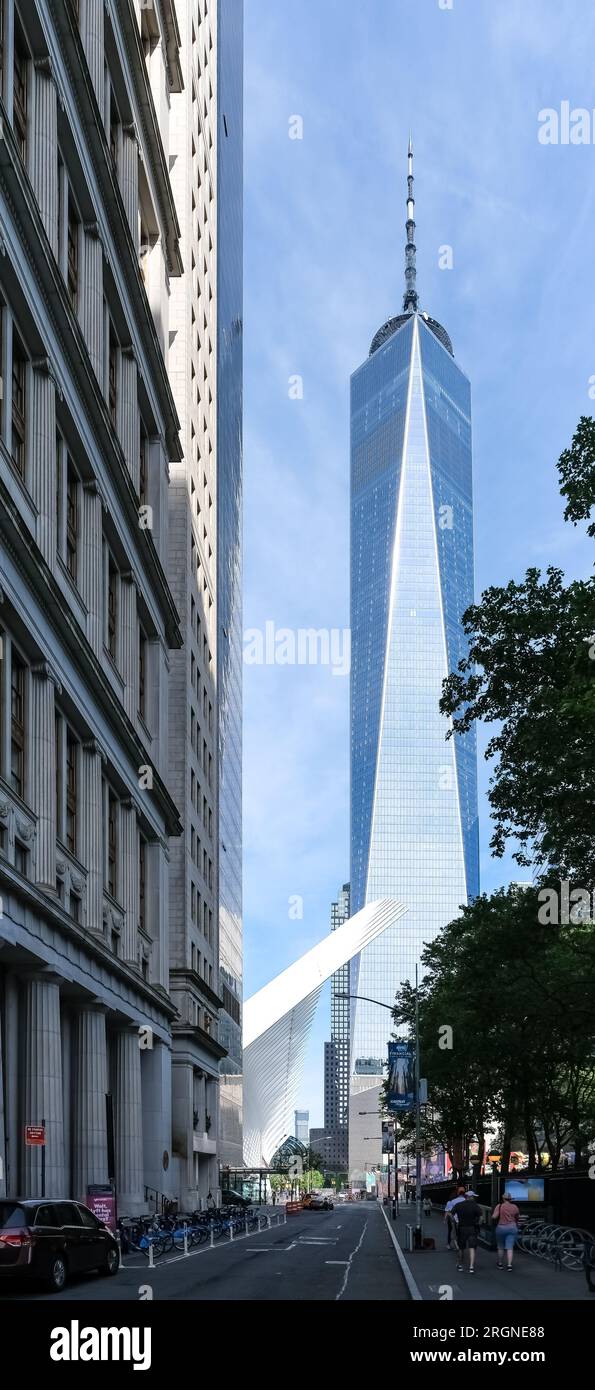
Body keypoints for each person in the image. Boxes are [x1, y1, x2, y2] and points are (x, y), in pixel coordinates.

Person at [454, 1190, 482, 1274]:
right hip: (472, 1229)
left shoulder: (458, 1205)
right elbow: (481, 1218)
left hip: (462, 1228)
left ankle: (459, 1264)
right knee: (472, 1248)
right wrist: (478, 1224)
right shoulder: (475, 1206)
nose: (474, 1198)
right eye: (473, 1197)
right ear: (470, 1197)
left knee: (461, 1248)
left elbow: (451, 1214)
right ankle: (471, 1267)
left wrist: (455, 1222)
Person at [492, 1192, 520, 1270]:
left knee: (500, 1247)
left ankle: (500, 1263)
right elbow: (517, 1217)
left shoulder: (500, 1206)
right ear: (510, 1199)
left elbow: (494, 1217)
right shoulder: (515, 1207)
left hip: (501, 1228)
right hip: (512, 1228)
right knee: (510, 1247)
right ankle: (509, 1265)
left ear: (503, 1198)